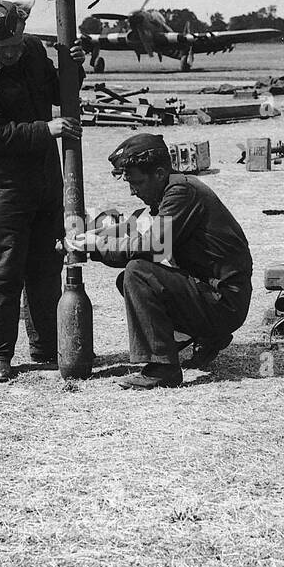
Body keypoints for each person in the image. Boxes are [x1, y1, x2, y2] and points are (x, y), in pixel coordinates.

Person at [0, 0, 86, 382]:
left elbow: (60, 93)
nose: (13, 52)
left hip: (45, 179)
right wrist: (47, 130)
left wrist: (74, 66)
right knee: (5, 268)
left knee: (46, 264)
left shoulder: (31, 50)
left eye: (17, 43)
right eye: (5, 48)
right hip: (4, 183)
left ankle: (46, 345)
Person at [74, 133, 253, 389]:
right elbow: (136, 230)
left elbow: (150, 246)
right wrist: (92, 239)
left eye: (137, 182)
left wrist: (96, 246)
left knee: (138, 273)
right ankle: (208, 335)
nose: (133, 191)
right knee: (129, 278)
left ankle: (162, 367)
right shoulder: (174, 189)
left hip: (225, 302)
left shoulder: (181, 193)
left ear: (159, 173)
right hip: (218, 295)